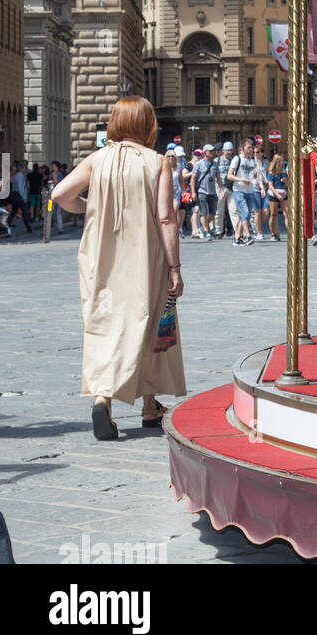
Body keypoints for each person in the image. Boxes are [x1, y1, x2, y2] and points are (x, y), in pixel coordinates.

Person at [51, 95, 185, 439]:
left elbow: (61, 194)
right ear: (147, 125)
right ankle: (149, 404)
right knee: (151, 323)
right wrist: (175, 268)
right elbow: (166, 217)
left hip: (100, 257)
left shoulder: (97, 159)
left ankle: (103, 398)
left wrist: (89, 206)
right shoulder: (158, 163)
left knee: (105, 324)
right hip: (145, 257)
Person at [229, 138, 265, 244]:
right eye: (248, 147)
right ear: (242, 148)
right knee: (245, 213)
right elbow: (229, 175)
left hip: (250, 191)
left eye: (251, 147)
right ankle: (248, 236)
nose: (251, 149)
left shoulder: (253, 161)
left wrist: (261, 187)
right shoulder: (237, 159)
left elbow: (255, 176)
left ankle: (236, 238)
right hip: (238, 190)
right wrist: (242, 179)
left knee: (244, 215)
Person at [192, 145, 219, 241]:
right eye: (210, 151)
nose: (212, 152)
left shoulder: (215, 164)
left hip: (212, 192)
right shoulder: (198, 164)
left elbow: (218, 177)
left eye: (213, 151)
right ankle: (206, 231)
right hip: (202, 191)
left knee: (212, 214)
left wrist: (222, 189)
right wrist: (193, 192)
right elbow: (193, 179)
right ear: (205, 153)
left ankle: (204, 227)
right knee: (203, 213)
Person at [212, 141, 236, 239]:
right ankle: (218, 231)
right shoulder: (216, 161)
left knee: (234, 210)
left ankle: (237, 231)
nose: (228, 152)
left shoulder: (234, 161)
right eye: (227, 150)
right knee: (219, 211)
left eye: (230, 150)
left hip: (231, 189)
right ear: (223, 151)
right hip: (219, 189)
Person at [265, 153, 287, 241]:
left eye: (282, 160)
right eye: (280, 161)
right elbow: (270, 185)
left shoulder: (284, 171)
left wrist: (285, 181)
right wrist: (277, 195)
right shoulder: (271, 172)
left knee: (287, 213)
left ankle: (290, 232)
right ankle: (273, 233)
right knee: (273, 214)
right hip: (274, 193)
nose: (282, 162)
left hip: (283, 192)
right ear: (276, 162)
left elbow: (287, 184)